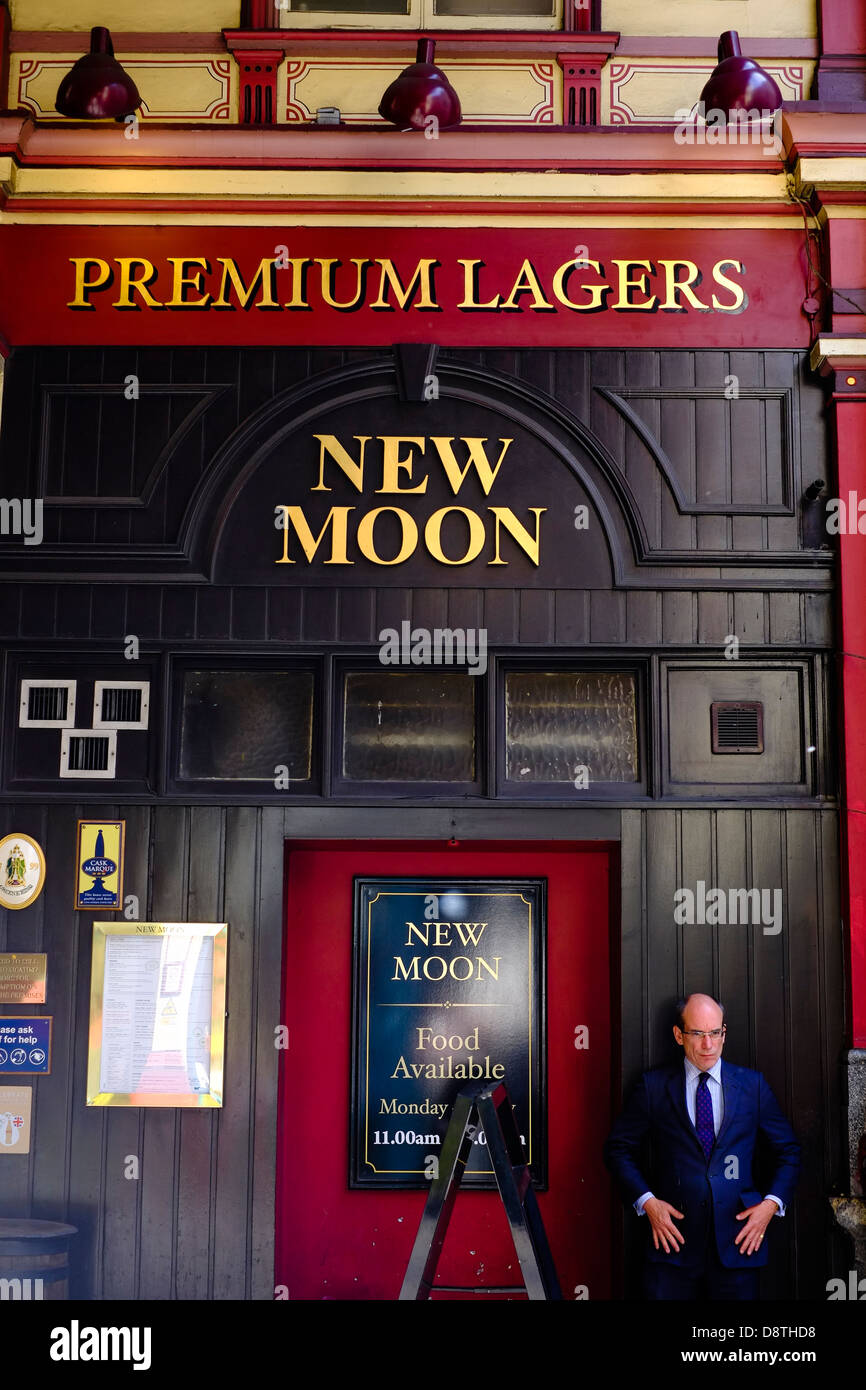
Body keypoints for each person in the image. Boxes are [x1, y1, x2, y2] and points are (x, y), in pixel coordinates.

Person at [603, 992, 800, 1300]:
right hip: (671, 1244)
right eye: (697, 1033)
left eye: (715, 1033)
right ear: (679, 1035)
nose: (708, 1044)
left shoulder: (753, 1086)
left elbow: (789, 1151)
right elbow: (618, 1149)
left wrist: (770, 1205)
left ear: (724, 1033)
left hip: (738, 1243)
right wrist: (648, 1203)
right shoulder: (653, 1087)